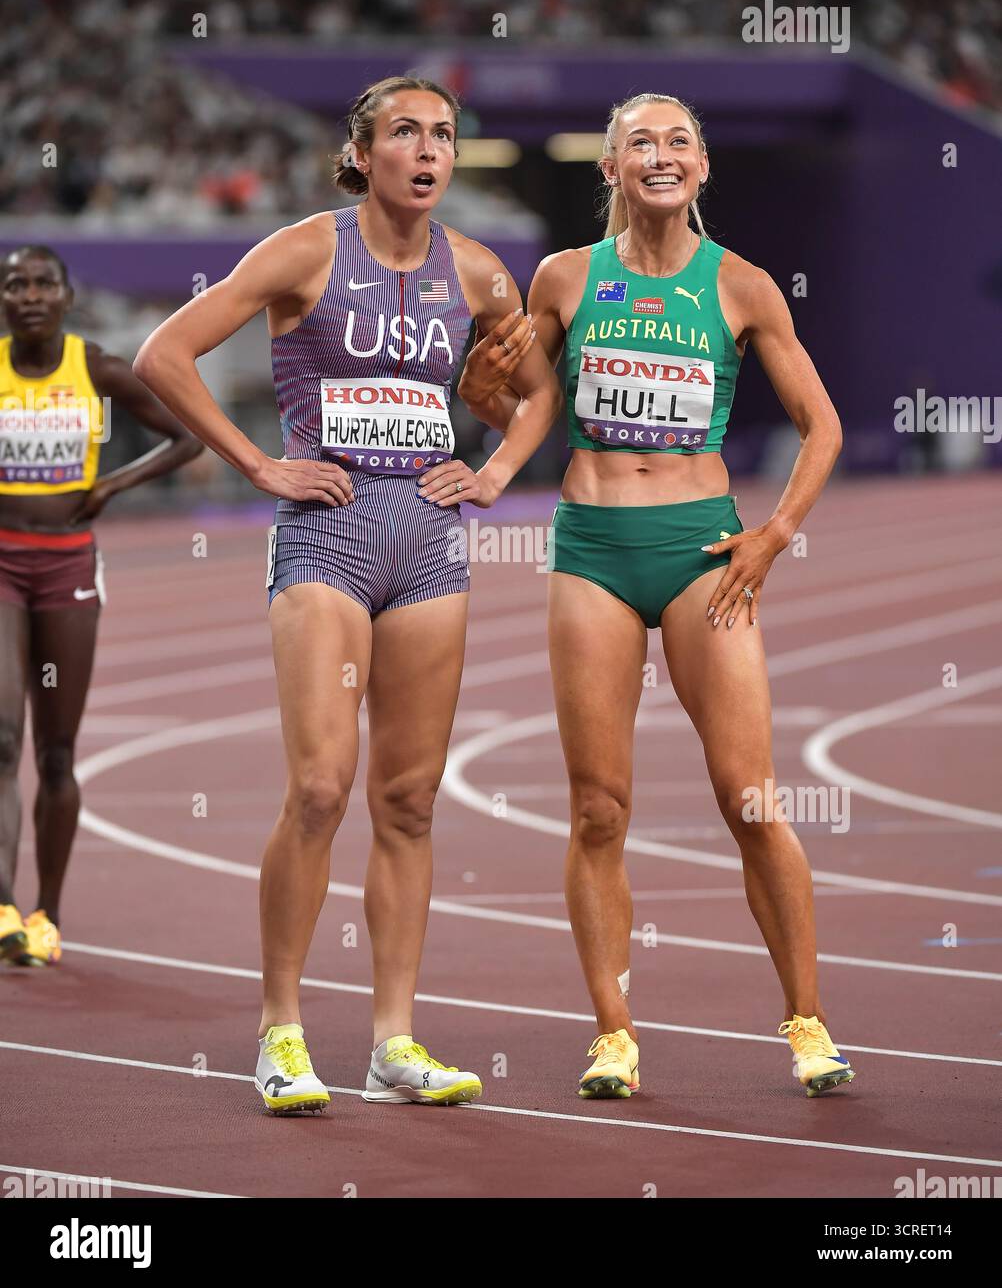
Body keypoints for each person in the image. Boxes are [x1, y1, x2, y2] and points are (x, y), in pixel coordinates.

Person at [134, 76, 561, 1114]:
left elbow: (542, 394)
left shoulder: (479, 273)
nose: (428, 150)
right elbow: (162, 355)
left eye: (445, 135)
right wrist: (257, 464)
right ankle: (281, 1029)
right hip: (325, 536)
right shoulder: (306, 250)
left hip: (430, 547)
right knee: (322, 787)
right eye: (406, 132)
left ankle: (393, 1041)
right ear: (363, 153)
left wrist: (498, 473)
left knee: (409, 801)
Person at [458, 92, 854, 1100]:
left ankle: (808, 1020)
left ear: (703, 168)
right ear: (612, 167)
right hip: (592, 545)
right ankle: (614, 1032)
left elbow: (824, 428)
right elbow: (521, 403)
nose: (663, 155)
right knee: (598, 808)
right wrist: (481, 384)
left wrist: (772, 535)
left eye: (680, 141)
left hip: (699, 550)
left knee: (751, 796)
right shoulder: (563, 278)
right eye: (643, 142)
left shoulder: (744, 287)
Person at [0, 245, 203, 966]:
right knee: (2, 735)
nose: (28, 295)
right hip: (2, 560)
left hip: (67, 568)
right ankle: (1, 906)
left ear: (65, 295)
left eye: (41, 283)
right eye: (14, 284)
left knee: (57, 752)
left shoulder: (95, 368)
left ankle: (45, 914)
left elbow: (189, 435)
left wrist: (114, 485)